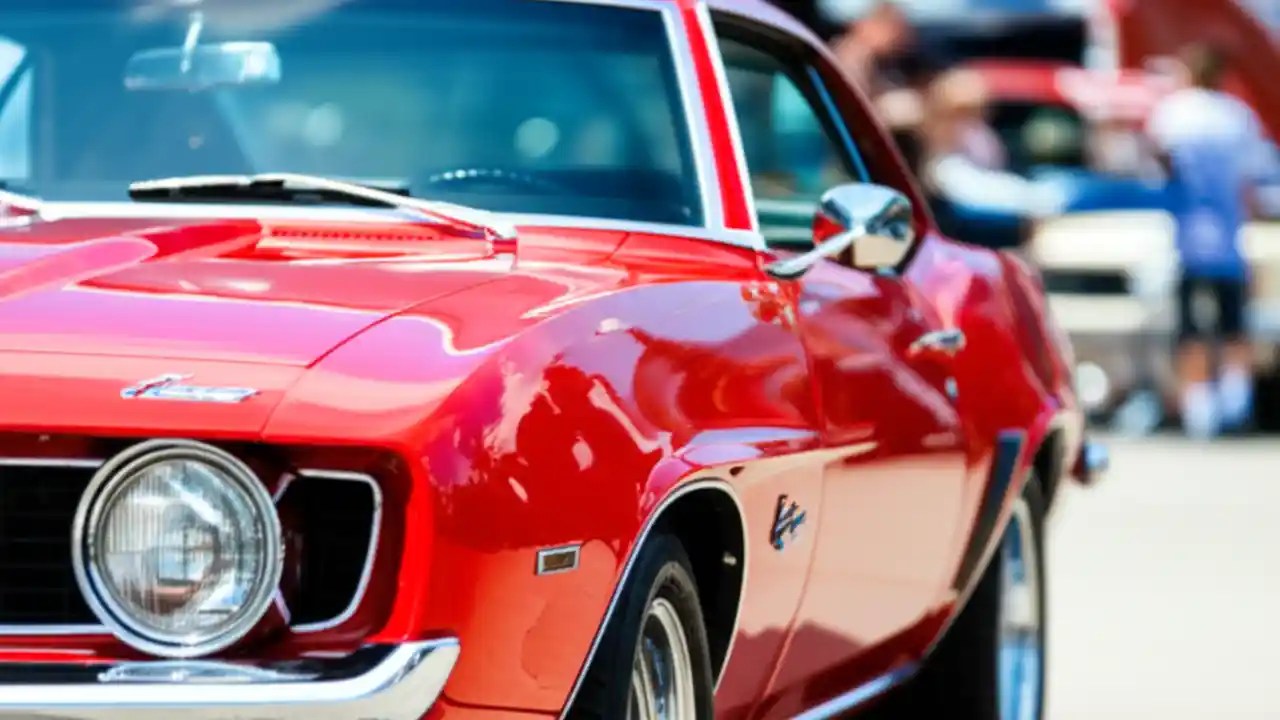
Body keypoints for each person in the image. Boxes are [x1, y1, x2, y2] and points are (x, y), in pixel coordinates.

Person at [1146, 42, 1271, 438]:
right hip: (1229, 239)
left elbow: (1157, 164)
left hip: (1186, 236)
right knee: (1233, 325)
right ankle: (1235, 403)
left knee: (1191, 328)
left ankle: (1197, 408)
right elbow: (1250, 184)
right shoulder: (1237, 116)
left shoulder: (1173, 113)